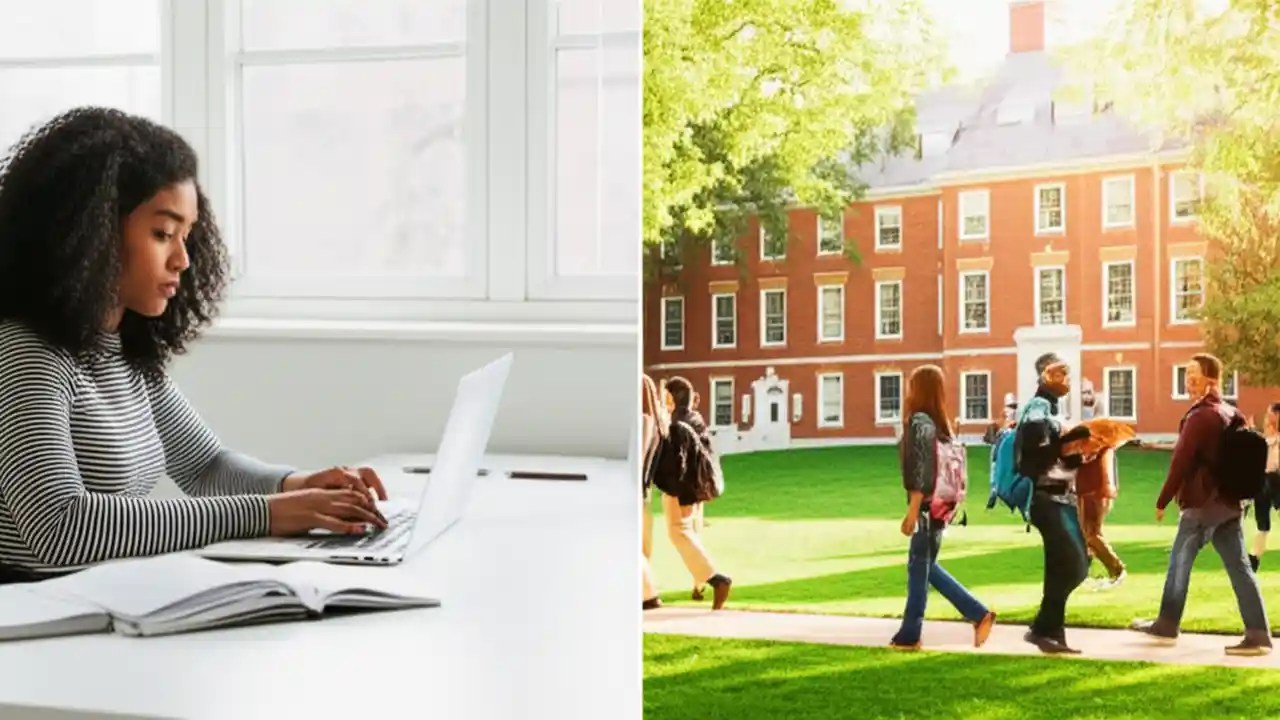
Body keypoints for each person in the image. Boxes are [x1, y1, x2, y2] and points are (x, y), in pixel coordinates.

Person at [0, 107, 388, 583]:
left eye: (187, 235)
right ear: (91, 232)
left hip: (98, 601)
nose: (183, 259)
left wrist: (298, 485)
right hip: (32, 618)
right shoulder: (25, 354)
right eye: (163, 233)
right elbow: (59, 527)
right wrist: (270, 512)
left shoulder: (125, 355)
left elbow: (206, 467)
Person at [1131, 354, 1272, 656]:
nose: (1187, 379)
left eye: (1193, 374)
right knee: (1240, 567)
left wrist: (1163, 499)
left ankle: (1167, 624)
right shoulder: (1231, 412)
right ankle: (1259, 635)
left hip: (1202, 503)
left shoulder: (1200, 416)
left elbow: (1181, 460)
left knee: (1179, 562)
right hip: (1230, 502)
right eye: (1186, 373)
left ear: (1210, 379)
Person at [889, 365, 996, 650]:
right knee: (923, 568)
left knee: (920, 567)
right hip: (942, 506)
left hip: (925, 507)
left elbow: (921, 469)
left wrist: (913, 509)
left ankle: (972, 615)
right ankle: (913, 632)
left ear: (917, 390)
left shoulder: (918, 422)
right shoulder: (941, 426)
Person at [1017, 352, 1091, 654]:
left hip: (1062, 497)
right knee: (1075, 565)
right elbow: (1038, 444)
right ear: (1046, 376)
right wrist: (1066, 439)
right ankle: (1044, 628)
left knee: (1061, 567)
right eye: (1062, 374)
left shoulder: (1052, 407)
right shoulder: (1039, 407)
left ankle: (1049, 632)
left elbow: (1059, 451)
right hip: (1047, 499)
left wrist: (1079, 447)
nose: (1068, 381)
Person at [659, 376, 732, 609]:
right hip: (697, 490)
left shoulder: (676, 423)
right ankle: (699, 584)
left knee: (677, 533)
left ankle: (715, 579)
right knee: (691, 533)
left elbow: (676, 464)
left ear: (671, 397)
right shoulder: (696, 419)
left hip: (682, 492)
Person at [640, 374, 668, 610]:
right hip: (644, 493)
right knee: (640, 547)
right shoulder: (658, 425)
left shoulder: (644, 424)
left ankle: (648, 595)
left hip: (634, 491)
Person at [1254, 403, 1280, 572]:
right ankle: (1254, 557)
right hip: (1264, 481)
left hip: (1276, 479)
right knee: (1262, 524)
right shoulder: (1265, 437)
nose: (1268, 416)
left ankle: (1254, 557)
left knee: (1263, 524)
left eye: (1271, 413)